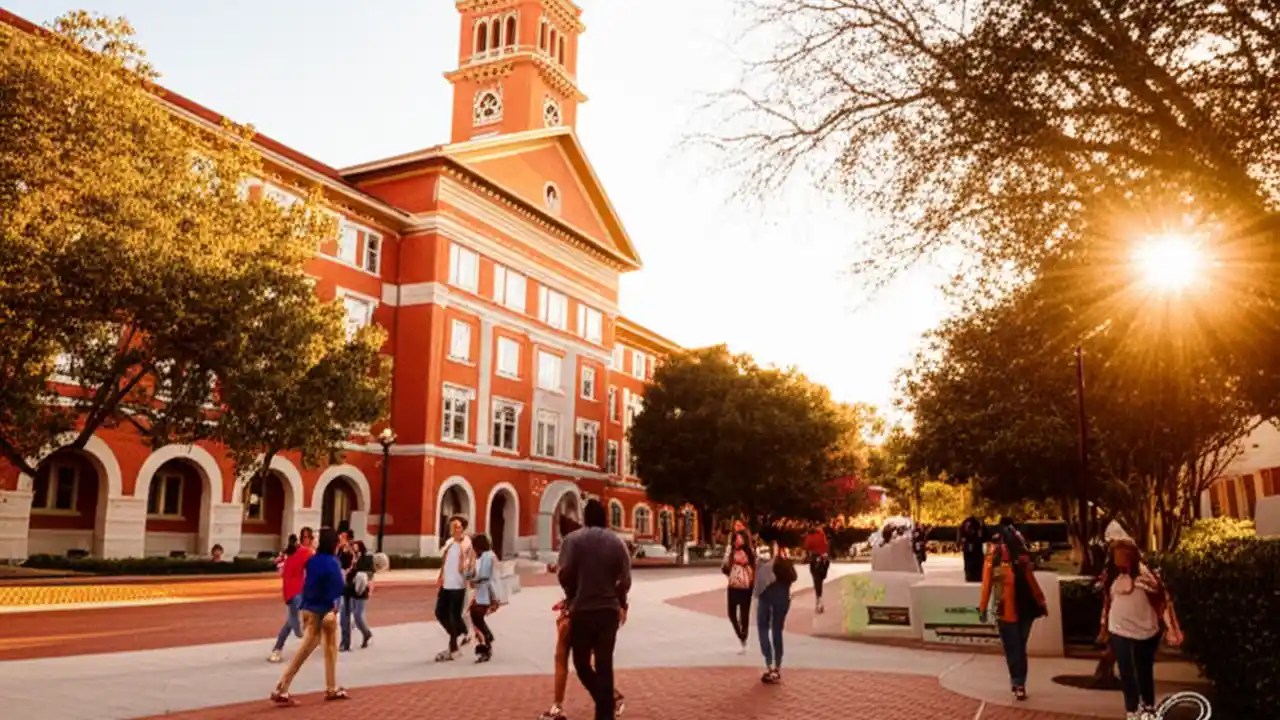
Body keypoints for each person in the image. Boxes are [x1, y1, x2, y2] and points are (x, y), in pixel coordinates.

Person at [557, 499, 632, 720]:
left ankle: (605, 702)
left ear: (585, 518)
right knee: (604, 663)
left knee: (581, 663)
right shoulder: (617, 542)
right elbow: (625, 579)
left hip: (582, 609)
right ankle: (605, 712)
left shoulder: (573, 540)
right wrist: (622, 602)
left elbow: (564, 573)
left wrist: (571, 596)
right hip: (608, 610)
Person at [1098, 526, 1182, 720]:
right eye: (1115, 556)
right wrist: (1103, 628)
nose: (1118, 560)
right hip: (1118, 628)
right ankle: (1132, 710)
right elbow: (1107, 603)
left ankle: (1149, 707)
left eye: (1122, 555)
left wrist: (1171, 629)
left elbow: (1162, 603)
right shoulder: (1111, 578)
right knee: (1127, 671)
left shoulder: (1147, 577)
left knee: (1144, 670)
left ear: (1131, 556)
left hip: (1146, 630)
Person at [270, 528, 349, 706]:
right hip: (326, 610)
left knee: (305, 650)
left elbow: (305, 580)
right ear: (334, 544)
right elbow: (338, 587)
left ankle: (283, 686)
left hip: (309, 608)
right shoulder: (333, 562)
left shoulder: (312, 560)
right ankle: (330, 687)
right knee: (329, 649)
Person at [979, 524, 1048, 702]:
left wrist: (1040, 600)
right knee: (1014, 649)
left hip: (1026, 609)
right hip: (1004, 610)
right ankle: (1018, 683)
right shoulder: (992, 559)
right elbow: (986, 585)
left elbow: (1031, 580)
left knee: (1019, 647)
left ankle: (1018, 681)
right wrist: (982, 608)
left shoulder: (1021, 559)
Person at [754, 534, 798, 684]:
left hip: (766, 599)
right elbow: (794, 577)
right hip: (782, 599)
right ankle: (777, 667)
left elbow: (756, 585)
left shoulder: (760, 563)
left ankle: (769, 665)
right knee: (777, 630)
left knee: (762, 627)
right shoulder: (785, 563)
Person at [269, 527, 315, 663]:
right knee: (297, 623)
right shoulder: (306, 552)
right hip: (298, 591)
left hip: (289, 591)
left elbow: (278, 563)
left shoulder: (292, 552)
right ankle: (304, 637)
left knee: (291, 621)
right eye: (310, 538)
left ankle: (277, 649)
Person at [435, 515, 475, 661]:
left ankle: (454, 647)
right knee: (439, 613)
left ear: (462, 528)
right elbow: (445, 561)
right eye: (452, 527)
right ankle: (462, 631)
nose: (454, 529)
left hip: (458, 586)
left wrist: (468, 575)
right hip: (446, 585)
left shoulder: (467, 543)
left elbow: (471, 561)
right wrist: (440, 576)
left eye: (457, 526)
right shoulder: (450, 543)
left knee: (453, 615)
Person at [467, 533, 500, 663]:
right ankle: (486, 640)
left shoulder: (487, 556)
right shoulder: (487, 556)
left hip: (487, 593)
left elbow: (484, 575)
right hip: (484, 592)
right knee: (476, 617)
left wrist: (473, 579)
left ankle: (486, 642)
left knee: (476, 616)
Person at [340, 553, 375, 652]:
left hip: (360, 593)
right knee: (346, 615)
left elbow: (370, 579)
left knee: (357, 615)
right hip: (349, 592)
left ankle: (366, 634)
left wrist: (369, 589)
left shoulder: (365, 566)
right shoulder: (350, 565)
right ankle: (346, 642)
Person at [803, 523, 831, 614]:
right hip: (825, 561)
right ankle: (819, 600)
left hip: (815, 561)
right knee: (821, 579)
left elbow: (806, 547)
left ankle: (819, 600)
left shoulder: (810, 536)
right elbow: (827, 547)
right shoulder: (823, 535)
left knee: (817, 580)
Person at [958, 517, 986, 583]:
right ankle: (971, 575)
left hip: (975, 550)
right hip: (970, 550)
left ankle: (974, 576)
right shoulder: (964, 530)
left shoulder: (977, 529)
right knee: (969, 563)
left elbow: (981, 538)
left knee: (975, 563)